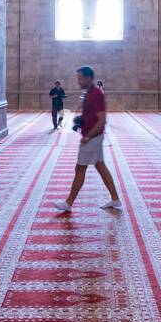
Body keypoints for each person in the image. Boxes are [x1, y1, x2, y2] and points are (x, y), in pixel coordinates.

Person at [54, 65, 121, 213]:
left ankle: (69, 202)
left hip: (92, 137)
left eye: (80, 78)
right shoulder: (89, 93)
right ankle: (115, 199)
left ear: (88, 78)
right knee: (100, 166)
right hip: (91, 135)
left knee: (80, 168)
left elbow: (102, 120)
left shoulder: (96, 94)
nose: (78, 81)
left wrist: (89, 136)